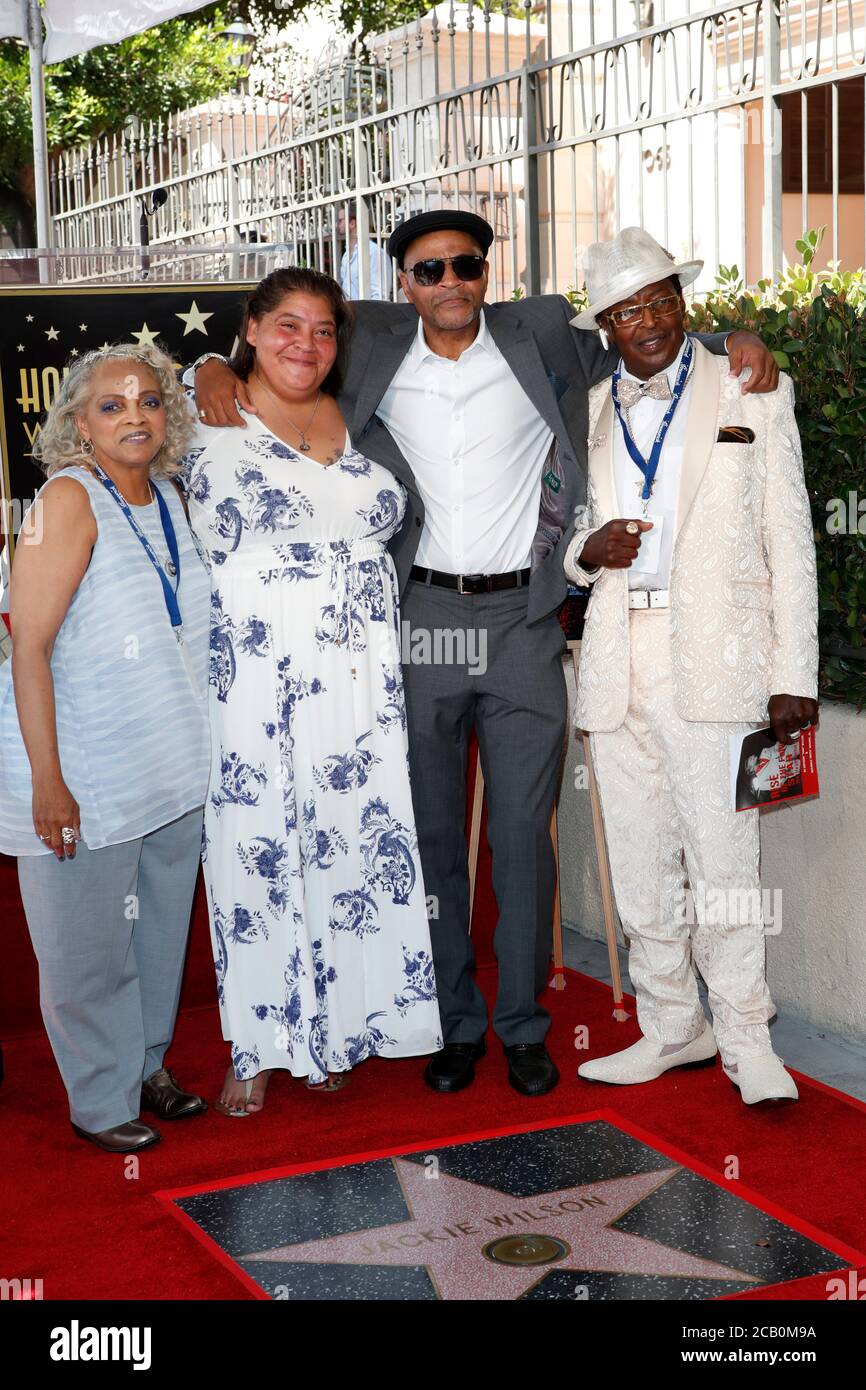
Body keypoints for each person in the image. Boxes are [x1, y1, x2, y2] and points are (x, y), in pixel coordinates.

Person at [192, 210, 779, 1099]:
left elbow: (651, 338)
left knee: (522, 836)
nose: (449, 282)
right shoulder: (368, 346)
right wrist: (209, 366)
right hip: (421, 613)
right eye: (429, 271)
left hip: (522, 619)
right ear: (403, 285)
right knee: (429, 834)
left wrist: (735, 336)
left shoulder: (541, 331)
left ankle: (522, 1026)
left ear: (486, 272)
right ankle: (453, 1023)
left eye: (466, 265)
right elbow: (283, 346)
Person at [565, 226, 819, 1105]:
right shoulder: (592, 409)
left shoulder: (753, 389)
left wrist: (796, 673)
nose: (649, 321)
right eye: (628, 309)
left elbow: (792, 539)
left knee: (725, 860)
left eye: (662, 300)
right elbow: (562, 533)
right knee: (639, 863)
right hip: (614, 659)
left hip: (717, 660)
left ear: (685, 304)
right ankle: (673, 1026)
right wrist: (582, 555)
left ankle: (748, 1037)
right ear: (604, 327)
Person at [182, 266, 441, 1115]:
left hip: (359, 681)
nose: (307, 343)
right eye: (286, 325)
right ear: (250, 329)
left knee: (348, 842)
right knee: (257, 844)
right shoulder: (195, 415)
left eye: (324, 329)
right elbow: (110, 414)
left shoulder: (360, 407)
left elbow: (539, 340)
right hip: (254, 676)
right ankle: (259, 1041)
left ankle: (335, 1026)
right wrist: (198, 370)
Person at [0, 345, 211, 1152]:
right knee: (86, 950)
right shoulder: (64, 499)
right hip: (84, 770)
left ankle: (146, 1067)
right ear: (79, 423)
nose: (136, 417)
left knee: (158, 937)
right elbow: (28, 649)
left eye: (151, 402)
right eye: (113, 405)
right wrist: (47, 784)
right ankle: (100, 1099)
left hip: (169, 766)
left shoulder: (168, 497)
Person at [338, 203, 390, 301]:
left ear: (352, 223)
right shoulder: (346, 255)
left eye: (340, 220)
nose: (338, 224)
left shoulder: (374, 252)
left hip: (368, 314)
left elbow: (380, 294)